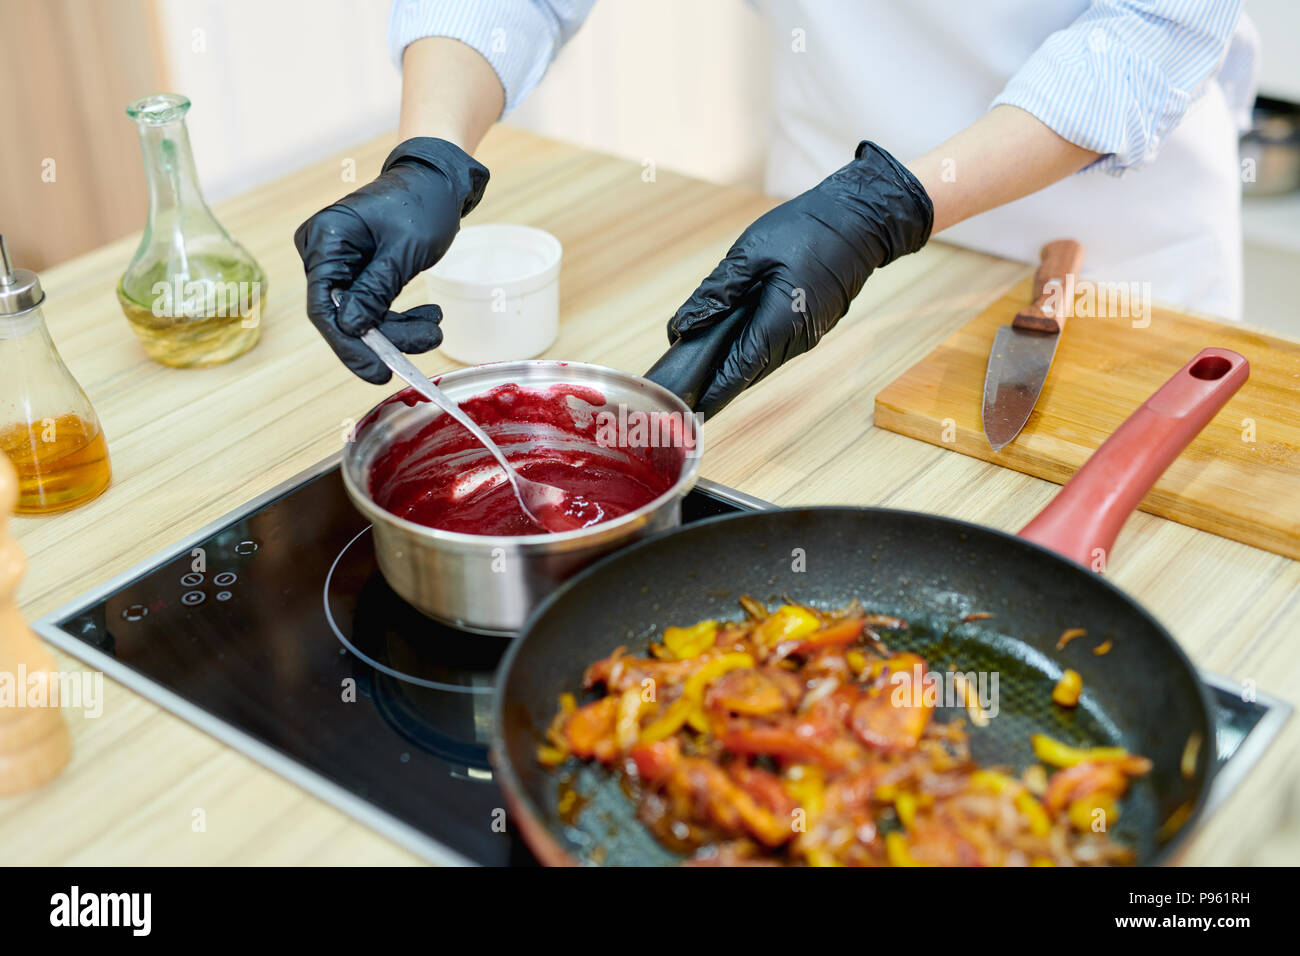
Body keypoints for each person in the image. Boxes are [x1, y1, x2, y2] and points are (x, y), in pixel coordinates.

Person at [295, 0, 1256, 418]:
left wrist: (891, 203)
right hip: (826, 218)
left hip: (1106, 226)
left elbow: (1152, 28)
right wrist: (431, 151)